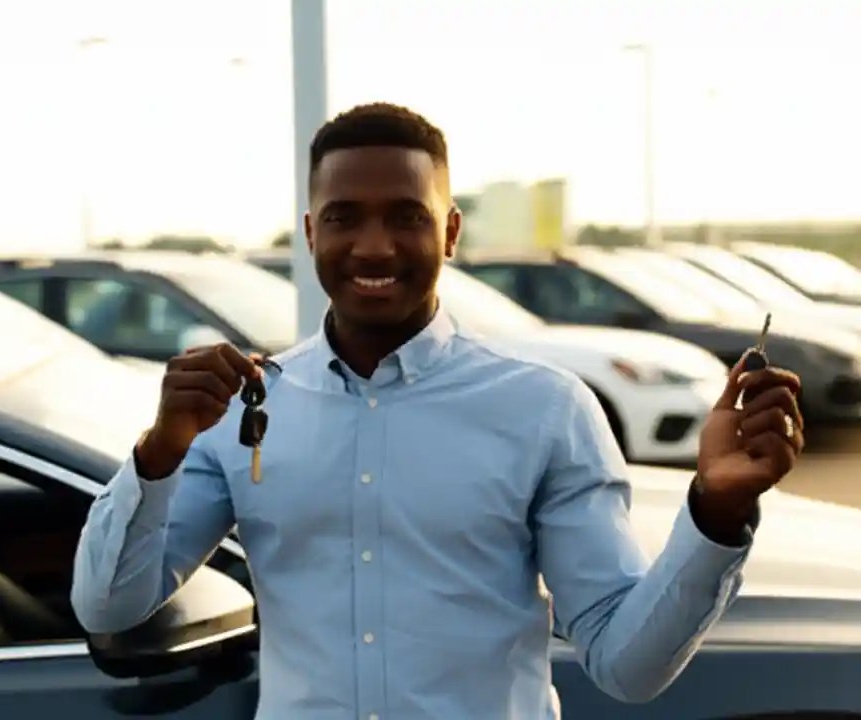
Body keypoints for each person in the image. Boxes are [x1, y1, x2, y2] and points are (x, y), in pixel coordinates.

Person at [70, 102, 805, 719]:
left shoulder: (542, 411)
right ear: (310, 233)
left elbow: (624, 665)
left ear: (451, 231)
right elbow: (110, 607)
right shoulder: (240, 411)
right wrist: (159, 452)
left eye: (406, 217)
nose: (374, 245)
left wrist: (716, 510)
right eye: (345, 217)